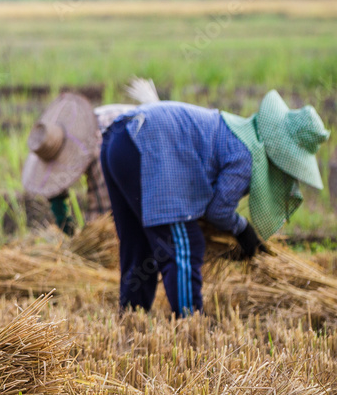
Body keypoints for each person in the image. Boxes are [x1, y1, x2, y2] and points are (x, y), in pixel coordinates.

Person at [100, 91, 329, 316]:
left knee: (138, 241)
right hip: (146, 141)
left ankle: (131, 314)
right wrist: (242, 231)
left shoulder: (237, 128)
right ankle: (190, 321)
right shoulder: (247, 154)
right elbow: (218, 211)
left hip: (119, 139)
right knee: (185, 245)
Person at [22, 86, 158, 234]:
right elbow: (56, 192)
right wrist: (61, 215)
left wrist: (87, 240)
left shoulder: (97, 142)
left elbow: (104, 211)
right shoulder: (72, 134)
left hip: (151, 144)